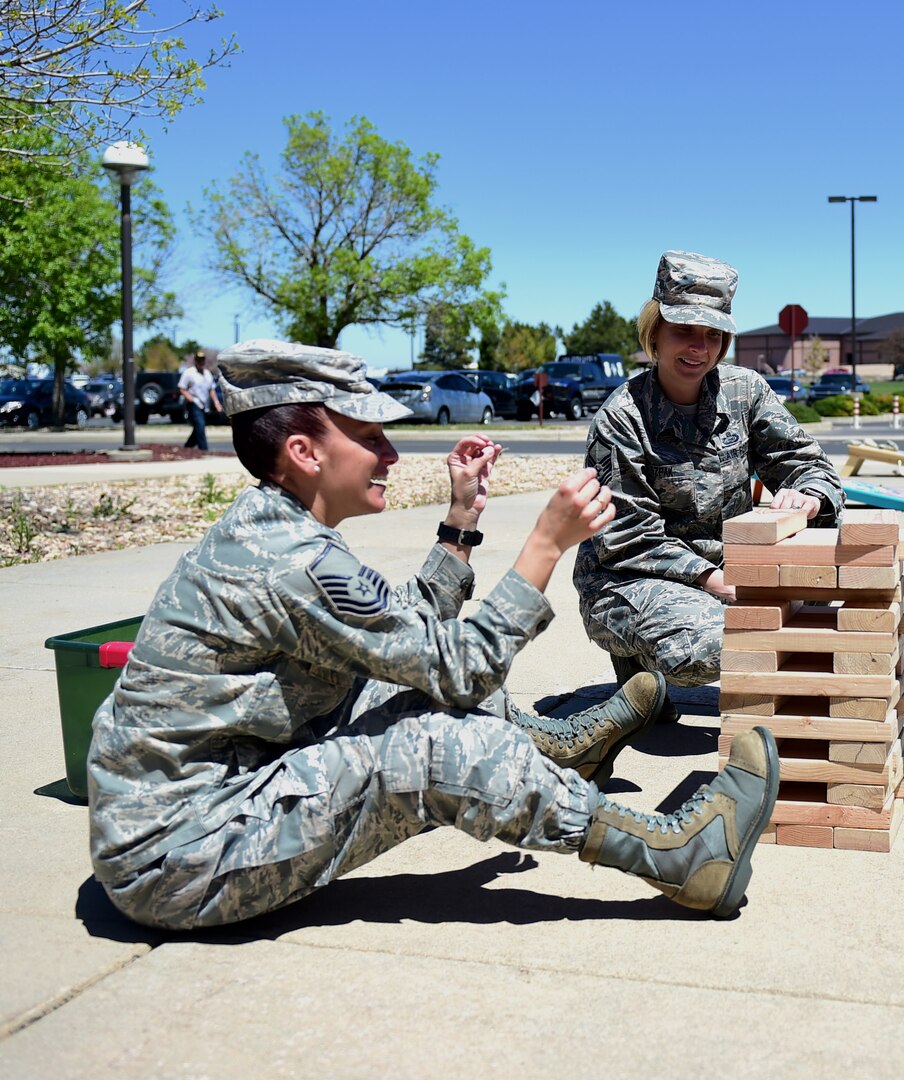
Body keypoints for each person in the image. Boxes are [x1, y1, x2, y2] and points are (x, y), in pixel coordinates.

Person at [87, 339, 780, 930]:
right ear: (303, 451)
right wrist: (544, 544)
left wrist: (459, 522)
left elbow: (406, 642)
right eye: (367, 438)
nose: (389, 453)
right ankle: (682, 855)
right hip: (179, 857)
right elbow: (462, 668)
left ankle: (561, 753)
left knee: (408, 692)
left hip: (212, 806)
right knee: (431, 746)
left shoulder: (277, 532)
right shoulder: (289, 560)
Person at [574, 251, 845, 690]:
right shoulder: (621, 419)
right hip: (634, 579)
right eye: (684, 331)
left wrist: (808, 496)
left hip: (730, 569)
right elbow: (628, 540)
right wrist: (721, 584)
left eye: (713, 334)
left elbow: (809, 465)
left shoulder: (745, 391)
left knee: (835, 603)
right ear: (654, 334)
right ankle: (641, 661)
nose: (699, 348)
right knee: (720, 642)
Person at [178, 349, 222, 452]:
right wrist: (191, 399)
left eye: (202, 360)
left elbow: (211, 390)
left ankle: (187, 447)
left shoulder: (207, 374)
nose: (201, 362)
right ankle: (204, 450)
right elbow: (182, 388)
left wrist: (217, 403)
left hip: (204, 405)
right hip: (194, 404)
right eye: (199, 360)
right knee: (200, 426)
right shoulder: (189, 373)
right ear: (195, 361)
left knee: (198, 428)